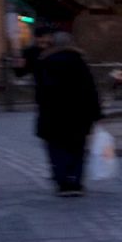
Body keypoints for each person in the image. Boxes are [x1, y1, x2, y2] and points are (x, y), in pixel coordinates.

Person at [33, 31, 103, 196]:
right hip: (78, 115)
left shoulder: (45, 61)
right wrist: (96, 113)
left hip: (53, 115)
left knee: (56, 149)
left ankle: (62, 181)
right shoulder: (79, 61)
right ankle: (75, 181)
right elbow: (90, 89)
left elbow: (40, 92)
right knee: (77, 148)